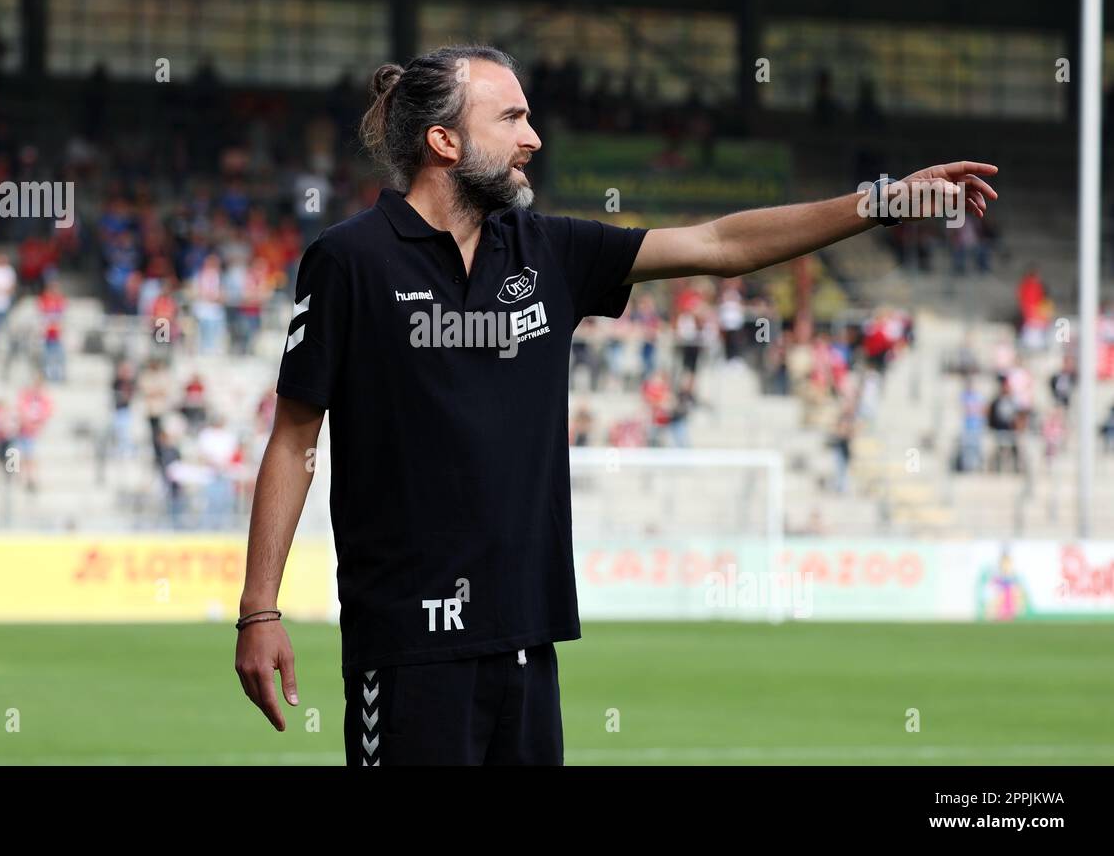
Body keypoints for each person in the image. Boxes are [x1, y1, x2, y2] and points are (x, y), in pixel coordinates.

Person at [232, 44, 999, 766]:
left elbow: (721, 245)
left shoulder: (549, 251)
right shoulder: (349, 260)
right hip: (406, 646)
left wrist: (881, 202)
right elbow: (295, 437)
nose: (533, 137)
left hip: (529, 640)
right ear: (444, 142)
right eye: (511, 119)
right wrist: (260, 609)